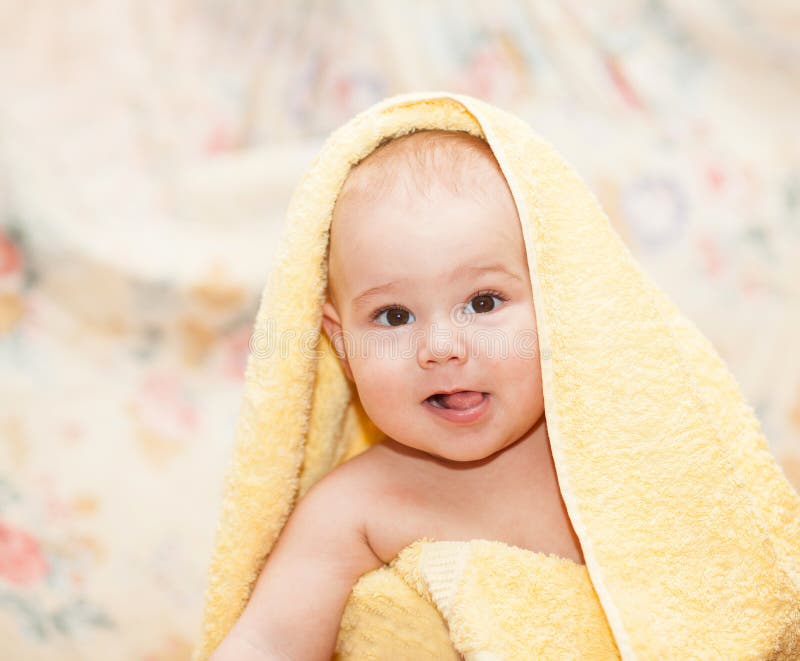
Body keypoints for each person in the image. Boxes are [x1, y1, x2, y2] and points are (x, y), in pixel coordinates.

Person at [211, 129, 583, 659]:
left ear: (557, 299)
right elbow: (267, 644)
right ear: (342, 345)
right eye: (394, 316)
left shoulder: (612, 456)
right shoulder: (353, 507)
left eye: (482, 302)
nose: (442, 348)